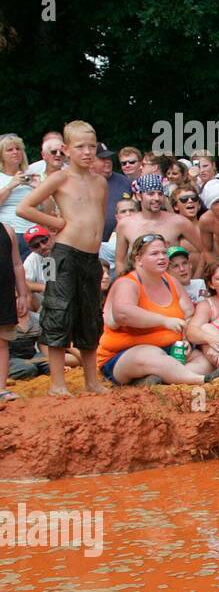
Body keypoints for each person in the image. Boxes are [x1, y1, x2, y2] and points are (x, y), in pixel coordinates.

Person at [15, 121, 109, 395]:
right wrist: (56, 223)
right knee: (58, 311)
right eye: (80, 147)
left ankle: (92, 381)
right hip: (63, 254)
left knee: (90, 315)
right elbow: (24, 207)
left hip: (91, 256)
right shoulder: (60, 178)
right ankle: (58, 383)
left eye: (92, 146)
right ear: (67, 149)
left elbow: (100, 217)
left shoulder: (100, 181)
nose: (87, 152)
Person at [96, 234, 219, 387]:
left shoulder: (171, 282)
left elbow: (189, 314)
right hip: (125, 356)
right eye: (155, 254)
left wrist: (185, 338)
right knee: (150, 355)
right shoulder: (126, 283)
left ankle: (160, 379)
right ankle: (200, 380)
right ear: (138, 259)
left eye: (164, 252)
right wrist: (164, 320)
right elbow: (123, 314)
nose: (162, 257)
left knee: (204, 360)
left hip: (172, 350)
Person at [115, 173, 204, 277]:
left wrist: (197, 278)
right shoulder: (125, 225)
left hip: (171, 284)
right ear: (139, 196)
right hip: (141, 285)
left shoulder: (178, 222)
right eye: (151, 194)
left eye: (160, 194)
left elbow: (206, 250)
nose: (157, 198)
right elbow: (120, 261)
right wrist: (124, 285)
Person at [0, 220, 31, 403]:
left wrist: (23, 294)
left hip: (4, 295)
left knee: (2, 342)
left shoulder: (7, 229)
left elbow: (17, 264)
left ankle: (1, 388)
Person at [0, 134, 40, 256]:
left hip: (34, 233)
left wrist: (40, 188)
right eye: (10, 150)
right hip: (8, 232)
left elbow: (47, 209)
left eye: (18, 149)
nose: (15, 152)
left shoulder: (32, 175)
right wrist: (11, 185)